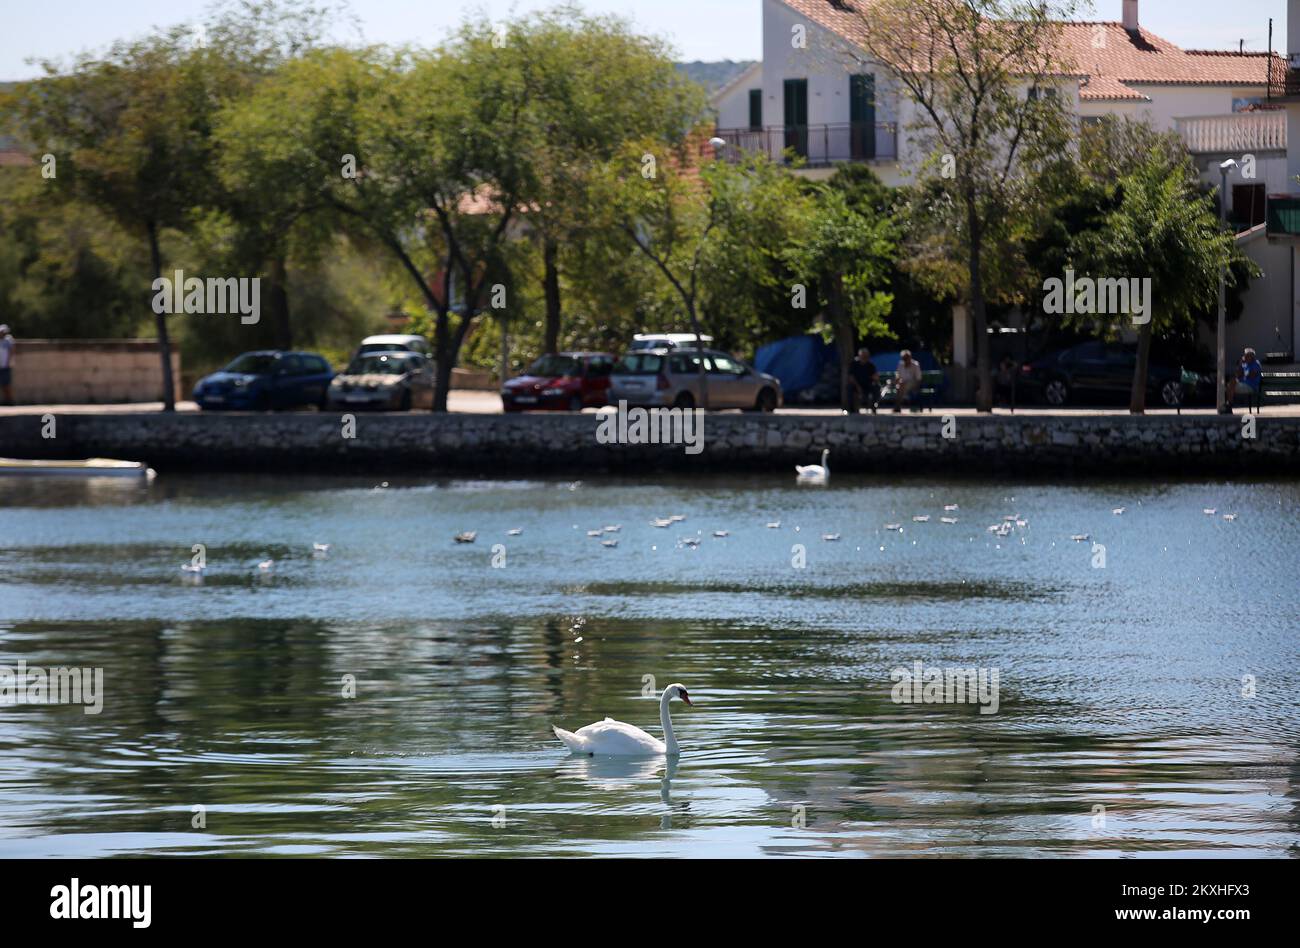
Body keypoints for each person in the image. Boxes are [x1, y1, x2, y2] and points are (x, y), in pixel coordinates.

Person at [1224, 347, 1263, 413]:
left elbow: (1252, 375)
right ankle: (1229, 405)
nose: (1246, 357)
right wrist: (1240, 364)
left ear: (1252, 356)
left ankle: (1229, 405)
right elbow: (1237, 375)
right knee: (1230, 383)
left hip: (1251, 386)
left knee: (1231, 385)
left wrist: (1243, 374)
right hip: (1242, 384)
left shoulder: (1256, 364)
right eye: (1245, 355)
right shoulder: (1244, 364)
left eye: (1248, 355)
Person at [848, 347, 880, 414]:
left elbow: (875, 377)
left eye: (866, 355)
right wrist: (858, 387)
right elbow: (851, 377)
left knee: (876, 387)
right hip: (856, 385)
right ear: (859, 355)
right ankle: (851, 409)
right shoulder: (854, 364)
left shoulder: (870, 365)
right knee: (849, 388)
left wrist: (875, 378)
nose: (865, 357)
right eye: (863, 355)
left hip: (868, 385)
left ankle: (873, 406)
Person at [0, 325, 13, 407]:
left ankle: (9, 401)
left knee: (6, 384)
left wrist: (9, 362)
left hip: (5, 366)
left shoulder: (8, 340)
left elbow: (12, 351)